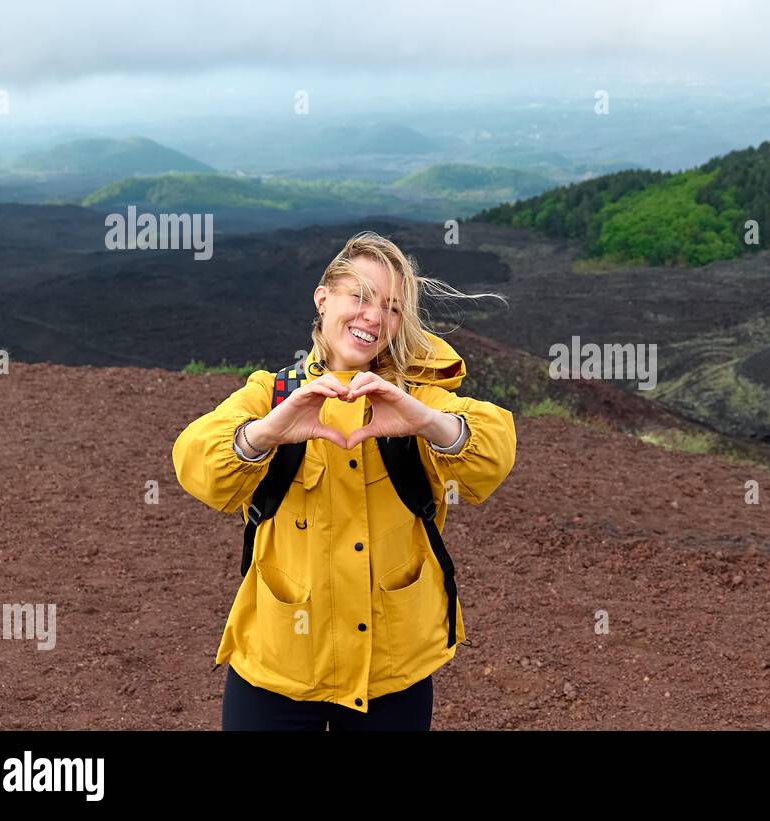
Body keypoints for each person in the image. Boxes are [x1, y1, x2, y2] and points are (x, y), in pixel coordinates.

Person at [171, 231, 517, 730]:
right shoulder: (271, 393)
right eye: (359, 296)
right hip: (279, 667)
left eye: (392, 308)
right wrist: (268, 432)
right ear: (323, 297)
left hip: (391, 673)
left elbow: (492, 451)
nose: (373, 317)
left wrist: (424, 421)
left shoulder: (418, 398)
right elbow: (195, 462)